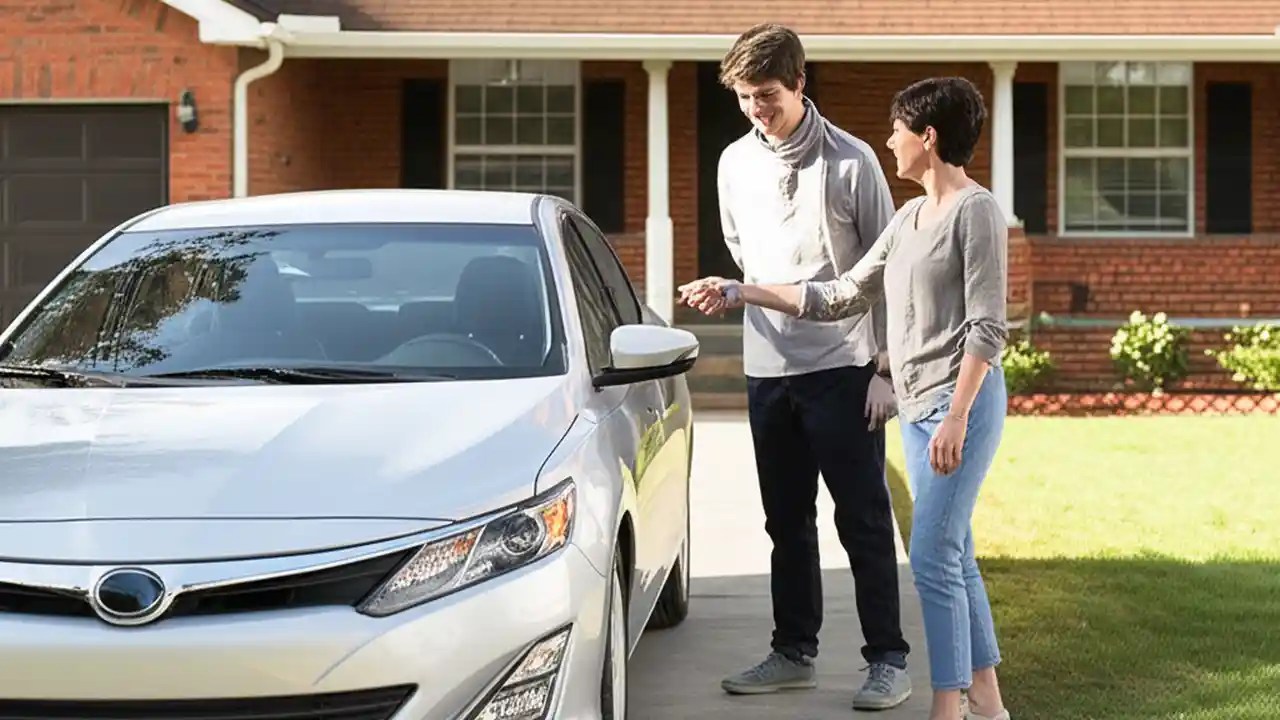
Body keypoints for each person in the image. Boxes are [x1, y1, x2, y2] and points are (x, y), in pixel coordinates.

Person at [680, 76, 1012, 720]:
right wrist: (743, 290)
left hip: (959, 406)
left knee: (932, 558)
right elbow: (840, 293)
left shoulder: (976, 212)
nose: (889, 141)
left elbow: (987, 328)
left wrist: (957, 416)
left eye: (898, 130)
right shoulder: (910, 218)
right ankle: (989, 700)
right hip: (919, 409)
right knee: (956, 555)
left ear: (928, 137)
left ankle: (947, 703)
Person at [707, 23, 912, 711]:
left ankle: (888, 660)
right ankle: (793, 653)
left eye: (766, 94)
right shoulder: (733, 162)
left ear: (799, 82)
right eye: (744, 97)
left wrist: (885, 369)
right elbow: (743, 253)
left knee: (863, 520)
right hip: (768, 369)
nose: (756, 109)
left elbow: (887, 273)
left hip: (846, 369)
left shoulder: (853, 162)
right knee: (786, 522)